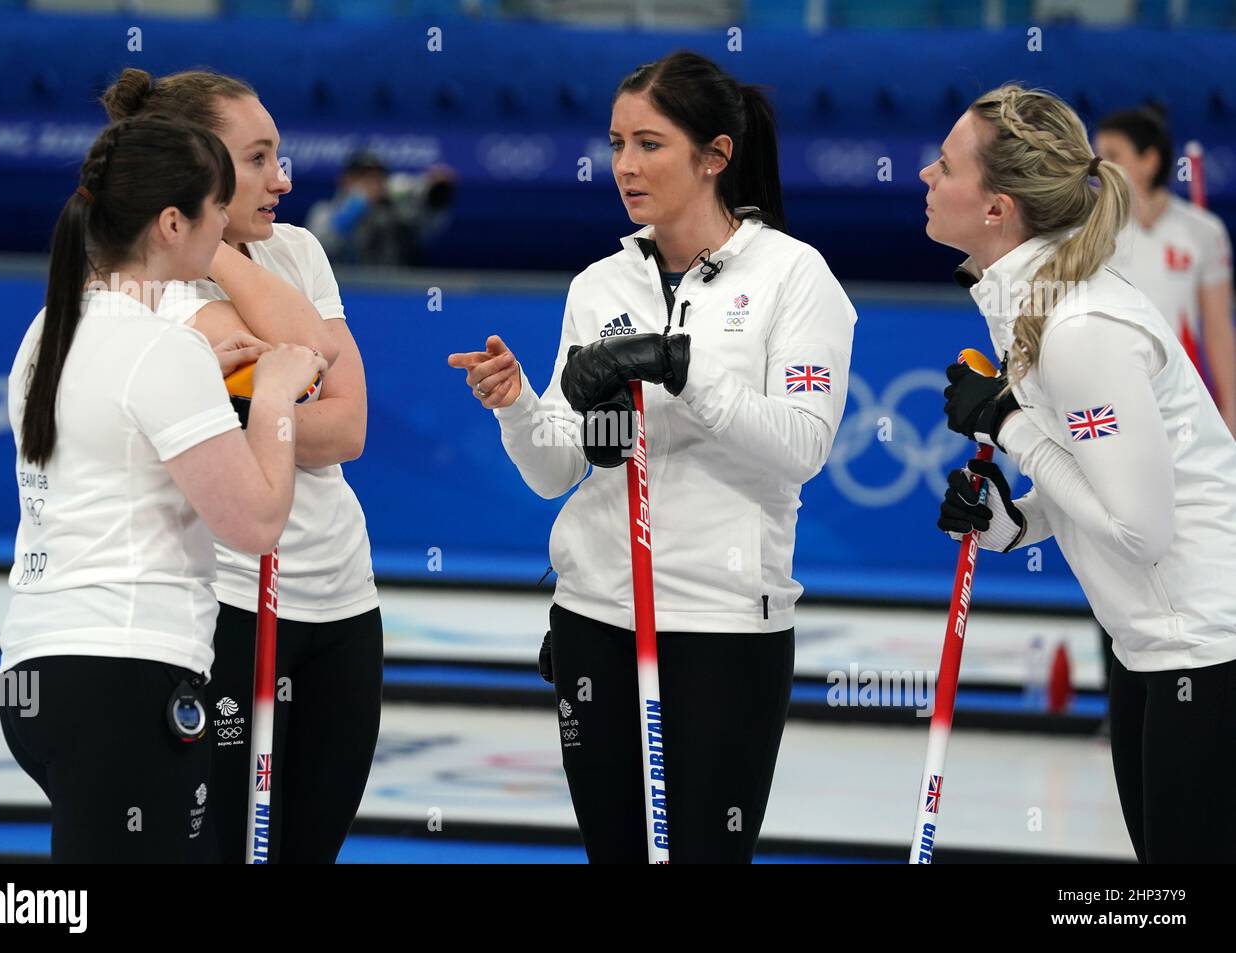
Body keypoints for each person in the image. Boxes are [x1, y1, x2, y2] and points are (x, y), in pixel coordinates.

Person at [448, 51, 856, 863]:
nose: (625, 167)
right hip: (596, 616)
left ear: (715, 155)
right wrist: (519, 404)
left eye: (650, 144)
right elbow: (562, 470)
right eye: (616, 144)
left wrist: (682, 367)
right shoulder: (598, 284)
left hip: (722, 624)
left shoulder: (793, 276)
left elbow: (801, 448)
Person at [0, 114, 324, 863]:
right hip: (124, 678)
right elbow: (254, 522)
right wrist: (271, 397)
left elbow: (110, 446)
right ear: (173, 220)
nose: (224, 226)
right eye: (215, 206)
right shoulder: (162, 347)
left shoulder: (47, 330)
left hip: (39, 672)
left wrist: (204, 386)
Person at [925, 84, 1236, 862]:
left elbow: (1140, 528)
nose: (925, 176)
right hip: (1151, 645)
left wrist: (1007, 425)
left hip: (1205, 647)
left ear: (997, 208)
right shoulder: (1034, 303)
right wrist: (1017, 520)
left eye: (945, 165)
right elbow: (1096, 481)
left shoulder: (1078, 326)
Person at [101, 67, 381, 864]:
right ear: (199, 168)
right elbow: (304, 376)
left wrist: (261, 413)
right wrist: (212, 238)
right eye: (256, 159)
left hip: (343, 600)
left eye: (279, 155)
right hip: (228, 601)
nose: (283, 179)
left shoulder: (296, 250)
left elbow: (347, 420)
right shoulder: (159, 279)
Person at [1094, 105, 1235, 435]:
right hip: (1107, 391)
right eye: (1098, 155)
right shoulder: (1088, 230)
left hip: (1181, 396)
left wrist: (1230, 408)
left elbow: (1217, 328)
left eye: (1112, 154)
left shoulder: (1204, 230)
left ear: (1149, 160)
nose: (1099, 166)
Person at [306, 149, 456, 266]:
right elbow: (322, 246)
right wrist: (357, 204)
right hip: (345, 289)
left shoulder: (398, 211)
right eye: (361, 176)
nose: (370, 183)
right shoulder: (324, 211)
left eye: (376, 177)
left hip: (391, 291)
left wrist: (434, 195)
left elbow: (431, 227)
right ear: (343, 179)